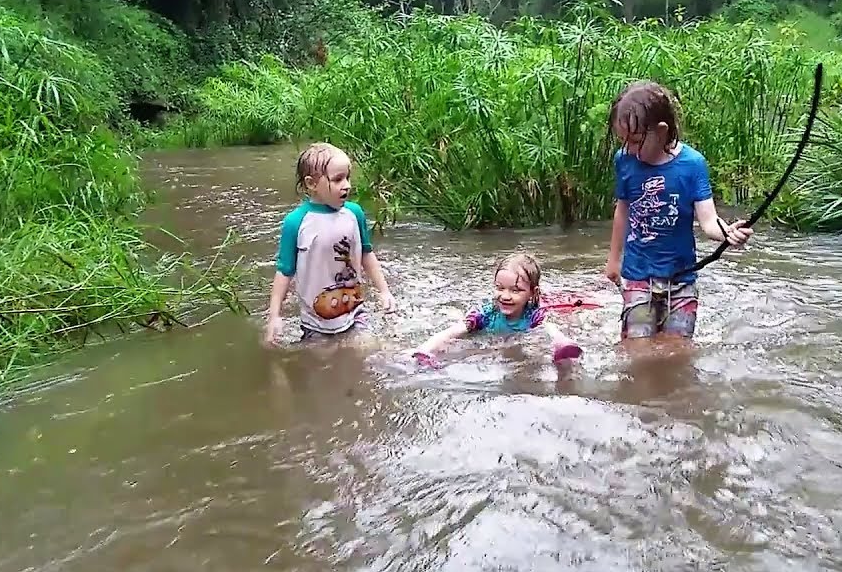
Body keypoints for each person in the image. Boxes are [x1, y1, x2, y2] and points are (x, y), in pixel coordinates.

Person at [602, 80, 752, 343]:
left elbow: (707, 220)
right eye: (622, 140)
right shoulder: (624, 160)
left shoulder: (692, 165)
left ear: (661, 132)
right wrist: (614, 260)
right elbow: (622, 210)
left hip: (682, 279)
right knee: (636, 348)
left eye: (636, 141)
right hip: (638, 274)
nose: (629, 149)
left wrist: (727, 233)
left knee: (677, 352)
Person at [265, 142, 397, 346]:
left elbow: (366, 254)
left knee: (367, 349)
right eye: (337, 179)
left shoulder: (354, 214)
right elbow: (284, 271)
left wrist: (384, 291)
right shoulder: (296, 222)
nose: (347, 185)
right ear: (311, 184)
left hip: (354, 310)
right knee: (320, 364)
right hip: (315, 320)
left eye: (347, 177)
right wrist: (274, 317)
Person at [412, 253, 581, 365]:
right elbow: (451, 332)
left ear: (532, 293)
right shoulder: (485, 314)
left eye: (515, 290)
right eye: (500, 288)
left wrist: (561, 342)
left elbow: (549, 327)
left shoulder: (532, 315)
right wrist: (425, 349)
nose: (505, 296)